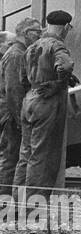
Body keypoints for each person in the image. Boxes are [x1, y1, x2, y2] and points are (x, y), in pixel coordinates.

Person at [17, 10, 75, 203]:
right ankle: (35, 206)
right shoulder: (57, 45)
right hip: (46, 103)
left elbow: (22, 78)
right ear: (65, 27)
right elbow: (65, 66)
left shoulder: (31, 47)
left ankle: (16, 203)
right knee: (41, 156)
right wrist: (58, 83)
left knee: (25, 154)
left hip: (29, 101)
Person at [0, 20, 40, 196]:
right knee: (11, 158)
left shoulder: (19, 53)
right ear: (26, 33)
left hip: (13, 113)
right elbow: (13, 90)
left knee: (14, 157)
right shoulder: (16, 55)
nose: (39, 35)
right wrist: (20, 119)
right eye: (36, 32)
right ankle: (4, 202)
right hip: (11, 114)